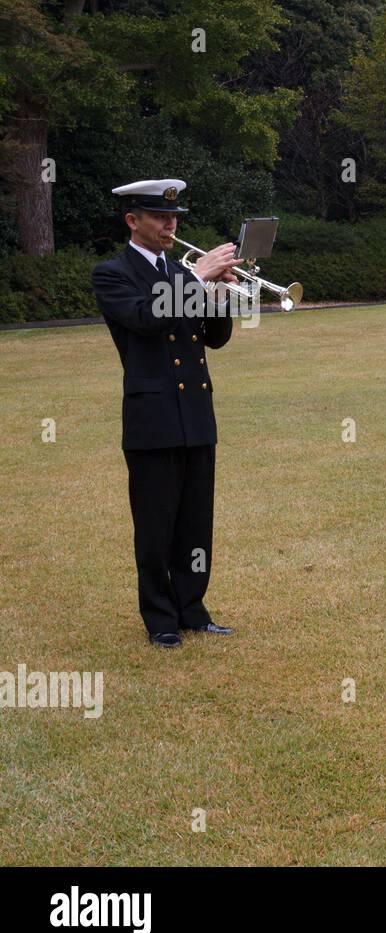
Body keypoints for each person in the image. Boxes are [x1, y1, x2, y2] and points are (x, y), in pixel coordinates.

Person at [91, 179, 244, 648]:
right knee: (156, 526)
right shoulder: (112, 274)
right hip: (153, 419)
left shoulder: (181, 272)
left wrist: (218, 295)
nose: (170, 225)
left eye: (174, 217)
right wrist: (197, 278)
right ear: (132, 221)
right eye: (159, 217)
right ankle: (160, 617)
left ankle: (192, 609)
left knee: (196, 523)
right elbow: (147, 318)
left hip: (196, 413)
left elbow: (214, 340)